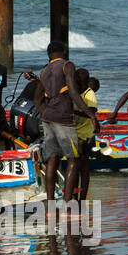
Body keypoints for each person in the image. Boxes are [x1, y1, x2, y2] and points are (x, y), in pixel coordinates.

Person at [33, 42, 100, 201]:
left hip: (47, 118)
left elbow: (37, 99)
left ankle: (50, 203)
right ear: (64, 51)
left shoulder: (44, 71)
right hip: (63, 118)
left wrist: (47, 112)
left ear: (48, 54)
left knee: (53, 159)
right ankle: (68, 202)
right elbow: (73, 91)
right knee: (74, 159)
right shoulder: (67, 65)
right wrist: (91, 115)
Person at [68, 69, 99, 202]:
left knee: (84, 167)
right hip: (73, 133)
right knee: (74, 166)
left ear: (86, 83)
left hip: (86, 135)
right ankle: (73, 195)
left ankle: (82, 198)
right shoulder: (72, 91)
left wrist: (72, 111)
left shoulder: (89, 93)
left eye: (81, 83)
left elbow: (91, 111)